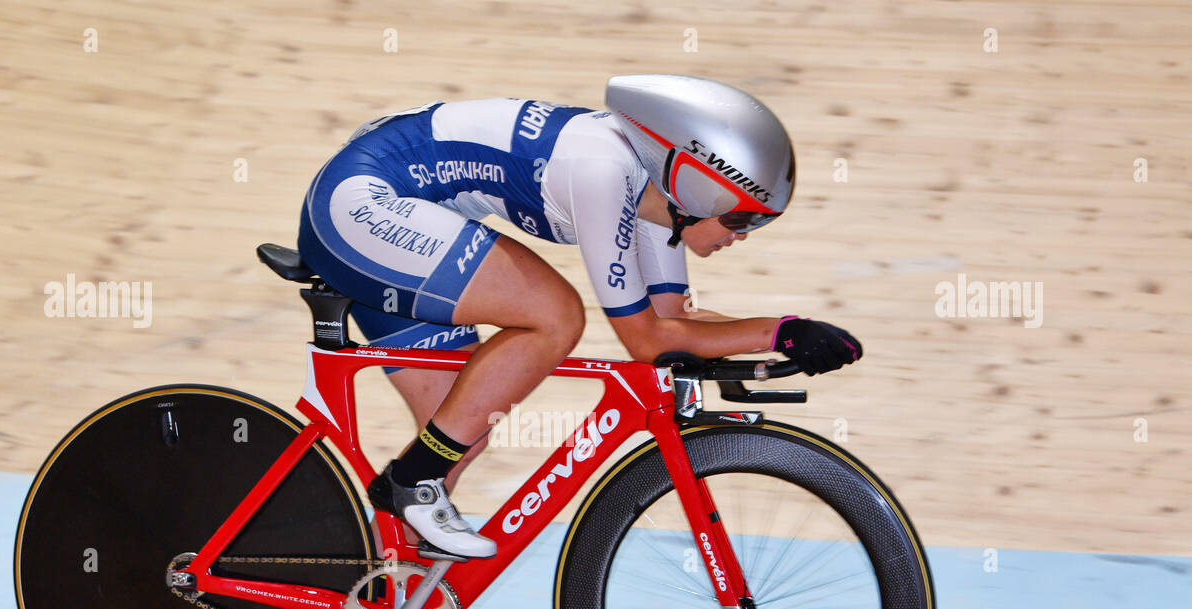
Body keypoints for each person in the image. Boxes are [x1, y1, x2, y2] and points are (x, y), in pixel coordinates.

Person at [296, 73, 861, 560]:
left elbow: (674, 322)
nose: (742, 237)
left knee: (459, 429)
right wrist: (776, 330)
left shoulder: (658, 202)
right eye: (743, 220)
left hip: (401, 218)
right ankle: (411, 482)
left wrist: (774, 341)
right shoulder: (603, 171)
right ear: (697, 188)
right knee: (555, 315)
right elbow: (645, 340)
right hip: (364, 205)